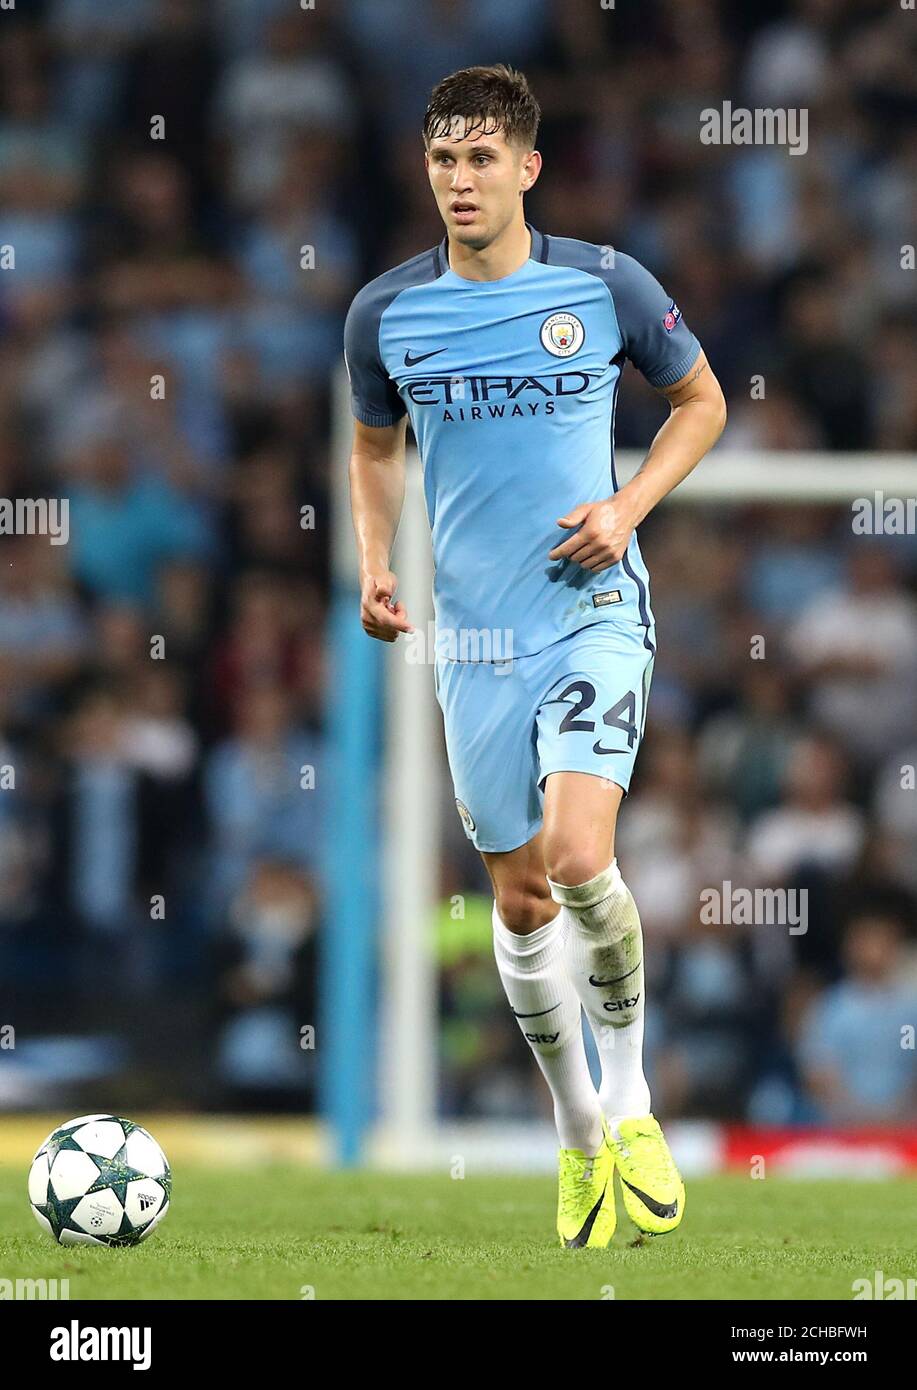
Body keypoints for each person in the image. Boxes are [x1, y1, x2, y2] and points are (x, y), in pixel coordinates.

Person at [344, 65, 726, 1247]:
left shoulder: (603, 284)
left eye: (480, 157)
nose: (459, 179)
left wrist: (629, 509)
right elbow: (372, 446)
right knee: (515, 902)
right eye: (441, 158)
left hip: (589, 607)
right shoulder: (381, 313)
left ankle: (634, 1103)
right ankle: (576, 1137)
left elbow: (702, 402)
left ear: (526, 167)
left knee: (574, 855)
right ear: (427, 170)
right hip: (472, 639)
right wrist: (374, 557)